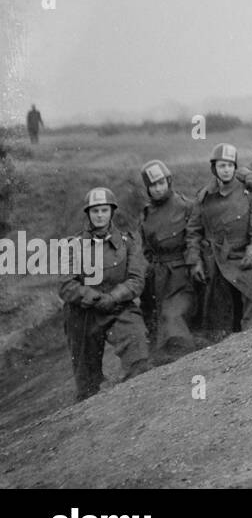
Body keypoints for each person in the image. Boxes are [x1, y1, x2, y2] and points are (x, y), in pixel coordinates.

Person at [59, 187, 150, 401]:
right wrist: (94, 298)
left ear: (112, 212)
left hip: (118, 308)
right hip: (84, 315)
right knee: (87, 384)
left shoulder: (128, 243)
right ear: (88, 214)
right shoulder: (74, 246)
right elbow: (65, 285)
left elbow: (136, 280)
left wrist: (114, 297)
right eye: (95, 211)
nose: (100, 215)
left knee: (138, 356)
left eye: (104, 210)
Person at [185, 143, 252, 335]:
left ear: (235, 167)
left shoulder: (250, 191)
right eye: (221, 166)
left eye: (229, 165)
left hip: (246, 258)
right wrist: (195, 261)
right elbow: (193, 232)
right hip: (218, 263)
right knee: (217, 318)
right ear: (214, 169)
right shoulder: (205, 197)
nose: (226, 170)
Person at [137, 159, 199, 356]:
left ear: (169, 181)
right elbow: (146, 248)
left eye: (161, 183)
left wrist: (192, 263)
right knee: (153, 319)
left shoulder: (186, 206)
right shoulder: (146, 214)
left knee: (172, 316)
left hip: (182, 274)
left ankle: (184, 357)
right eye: (153, 185)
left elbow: (195, 239)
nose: (158, 189)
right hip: (158, 277)